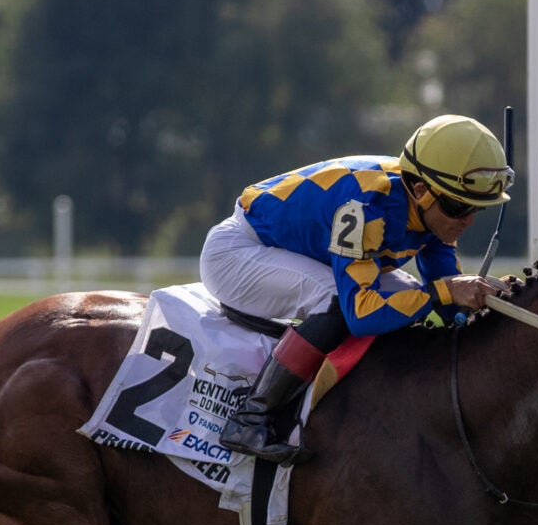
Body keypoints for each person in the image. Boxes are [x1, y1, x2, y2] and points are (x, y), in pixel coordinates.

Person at [198, 114, 511, 464]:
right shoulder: (364, 206)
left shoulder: (429, 209)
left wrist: (478, 303)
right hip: (238, 253)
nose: (467, 220)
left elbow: (447, 299)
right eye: (458, 206)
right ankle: (251, 418)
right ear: (421, 191)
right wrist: (444, 293)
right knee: (337, 299)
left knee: (406, 292)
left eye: (477, 209)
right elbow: (361, 314)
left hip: (298, 254)